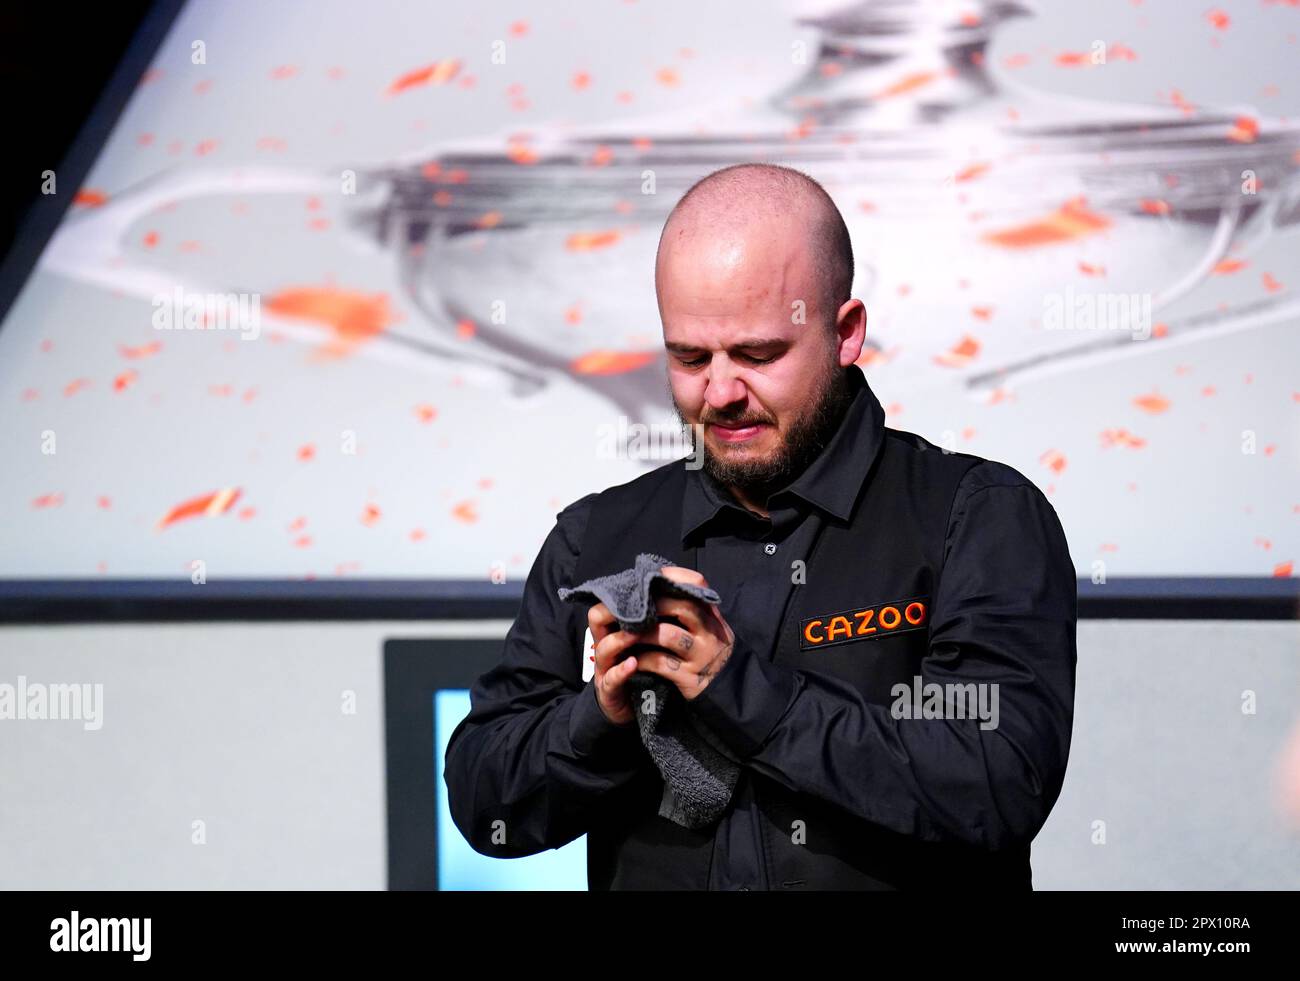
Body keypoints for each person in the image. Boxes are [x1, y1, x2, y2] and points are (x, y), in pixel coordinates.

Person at [444, 162, 1077, 890]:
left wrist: (738, 690)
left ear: (845, 333)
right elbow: (481, 799)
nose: (719, 393)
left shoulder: (974, 516)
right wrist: (597, 718)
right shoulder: (596, 537)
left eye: (757, 354)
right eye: (689, 358)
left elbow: (999, 782)